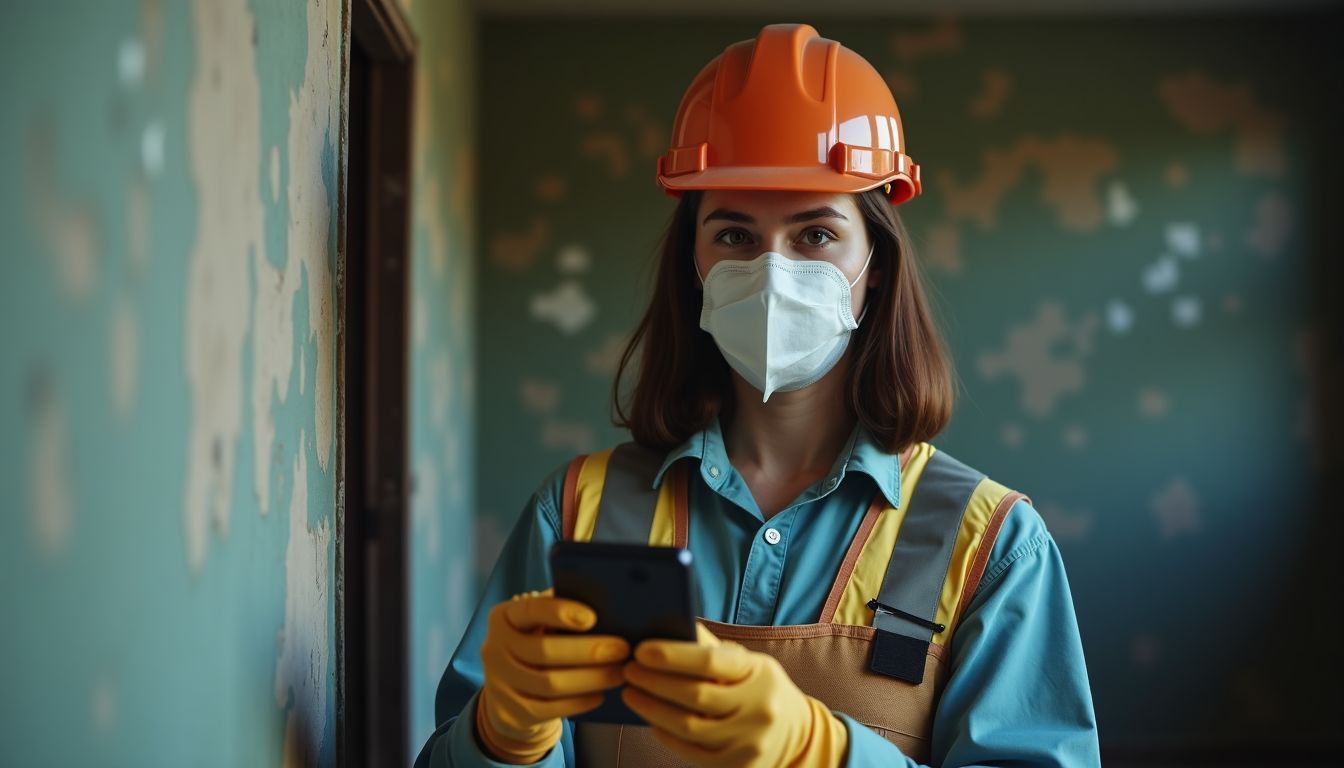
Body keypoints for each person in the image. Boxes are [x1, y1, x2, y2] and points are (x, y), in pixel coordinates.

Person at [417, 23, 1100, 768]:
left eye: (815, 235)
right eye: (735, 236)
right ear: (696, 262)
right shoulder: (578, 512)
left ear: (875, 264)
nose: (773, 273)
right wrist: (502, 736)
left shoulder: (989, 546)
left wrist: (822, 752)